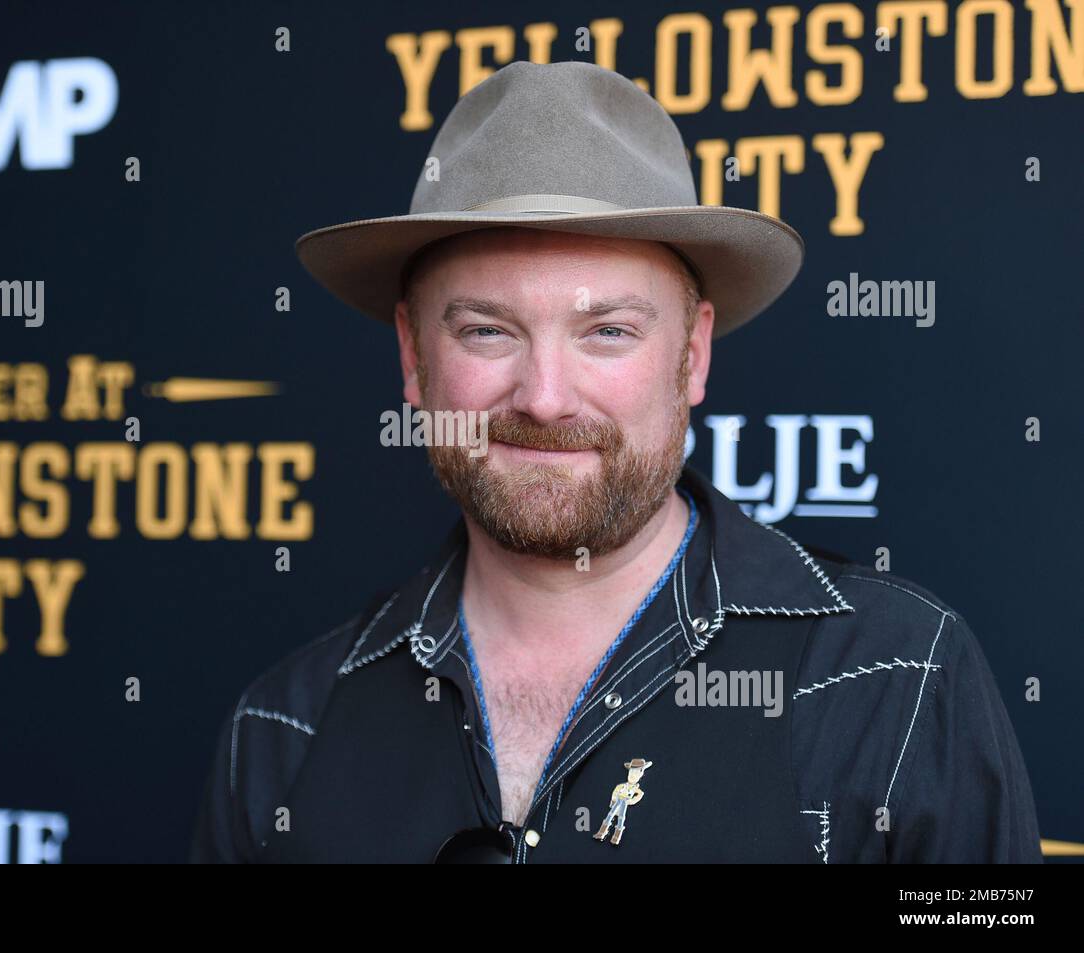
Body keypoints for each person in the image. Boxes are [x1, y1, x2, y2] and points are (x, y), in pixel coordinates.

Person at [191, 61, 1040, 863]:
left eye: (608, 332)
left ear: (694, 353)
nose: (546, 398)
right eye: (487, 329)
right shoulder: (282, 729)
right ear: (413, 358)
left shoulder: (895, 679)